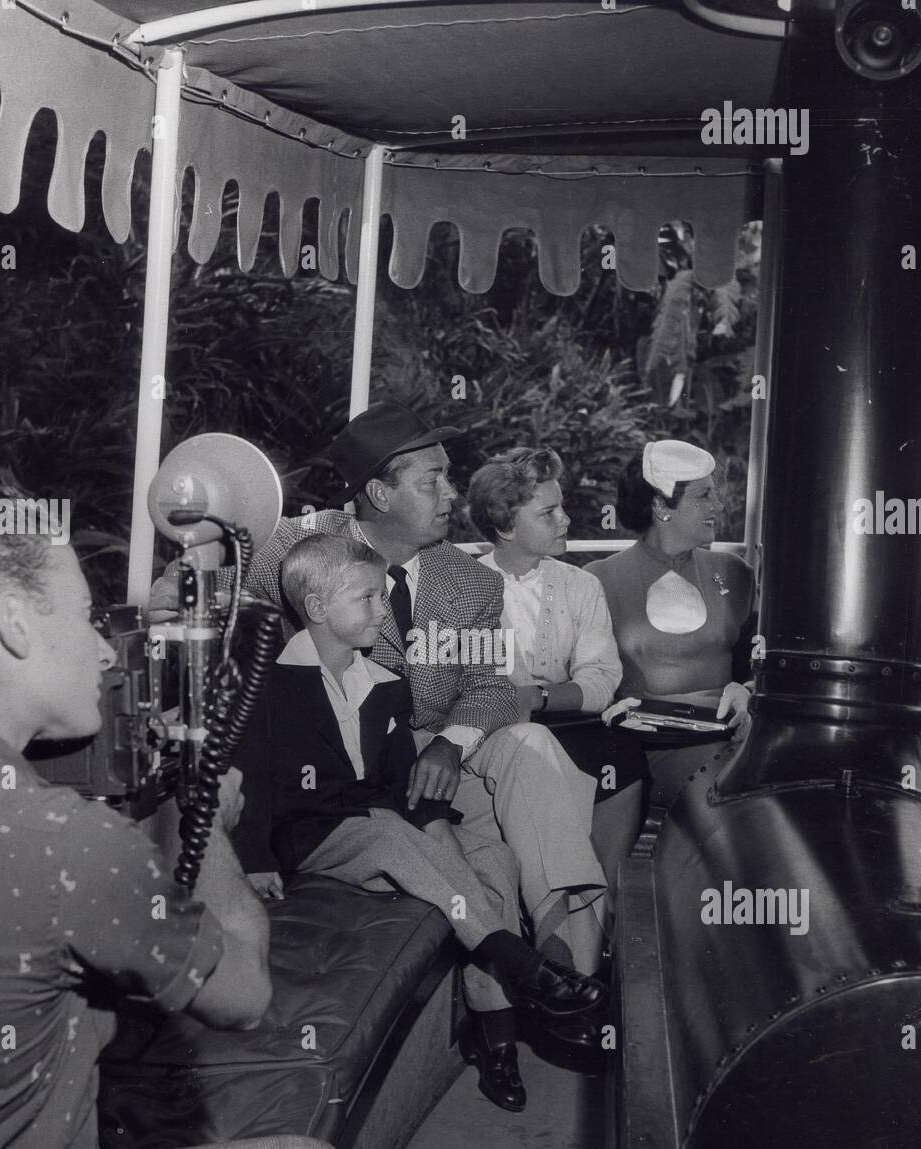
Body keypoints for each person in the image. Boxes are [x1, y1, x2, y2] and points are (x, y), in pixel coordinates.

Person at [0, 481, 417, 1149]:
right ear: (11, 622)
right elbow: (242, 993)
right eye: (83, 615)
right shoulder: (61, 842)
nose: (103, 650)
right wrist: (199, 803)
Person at [151, 402, 610, 1086]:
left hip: (426, 749)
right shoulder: (296, 548)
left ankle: (564, 960)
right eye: (432, 480)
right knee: (477, 839)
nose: (453, 494)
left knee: (531, 754)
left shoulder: (469, 581)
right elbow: (205, 602)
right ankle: (528, 987)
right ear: (378, 492)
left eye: (449, 478)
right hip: (327, 768)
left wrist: (450, 744)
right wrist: (171, 594)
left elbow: (488, 687)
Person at [239, 533, 604, 1112]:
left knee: (490, 854)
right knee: (388, 834)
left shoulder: (386, 688)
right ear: (316, 610)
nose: (383, 613)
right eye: (366, 600)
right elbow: (251, 782)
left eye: (383, 598)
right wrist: (255, 861)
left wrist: (442, 837)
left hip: (383, 826)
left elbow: (408, 787)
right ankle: (528, 968)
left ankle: (496, 1036)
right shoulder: (269, 687)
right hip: (311, 835)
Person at [467, 447, 646, 970]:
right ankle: (577, 944)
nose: (566, 519)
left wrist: (540, 696)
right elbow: (469, 690)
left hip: (566, 723)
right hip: (494, 736)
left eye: (561, 507)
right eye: (548, 513)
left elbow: (601, 678)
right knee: (539, 761)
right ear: (504, 525)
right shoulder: (462, 585)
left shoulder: (580, 584)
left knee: (623, 754)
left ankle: (605, 918)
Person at [586, 439, 756, 807]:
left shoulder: (735, 573)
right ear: (662, 505)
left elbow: (758, 663)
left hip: (737, 738)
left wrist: (749, 689)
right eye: (703, 496)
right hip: (650, 751)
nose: (719, 505)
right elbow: (588, 680)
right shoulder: (599, 580)